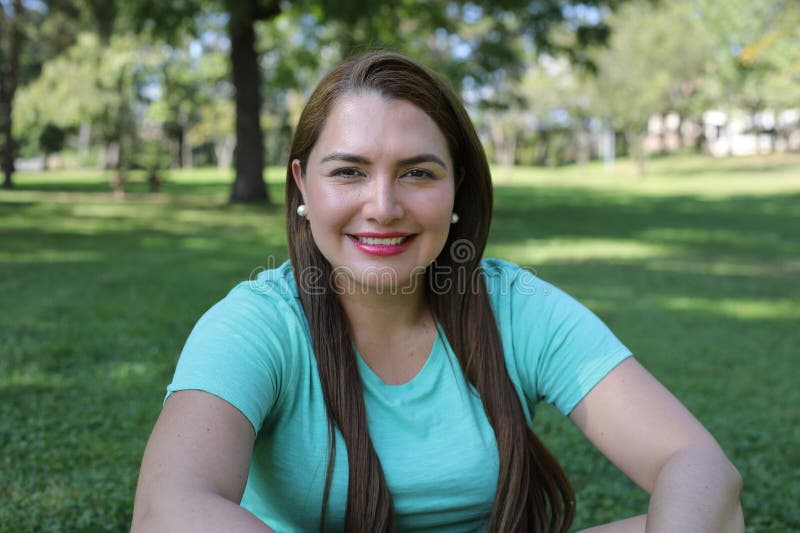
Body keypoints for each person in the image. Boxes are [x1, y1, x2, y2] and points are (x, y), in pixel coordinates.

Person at [131, 51, 743, 532]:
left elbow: (695, 464)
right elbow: (171, 508)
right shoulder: (256, 324)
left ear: (457, 187)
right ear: (301, 186)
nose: (383, 206)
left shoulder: (515, 307)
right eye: (349, 171)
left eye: (417, 172)